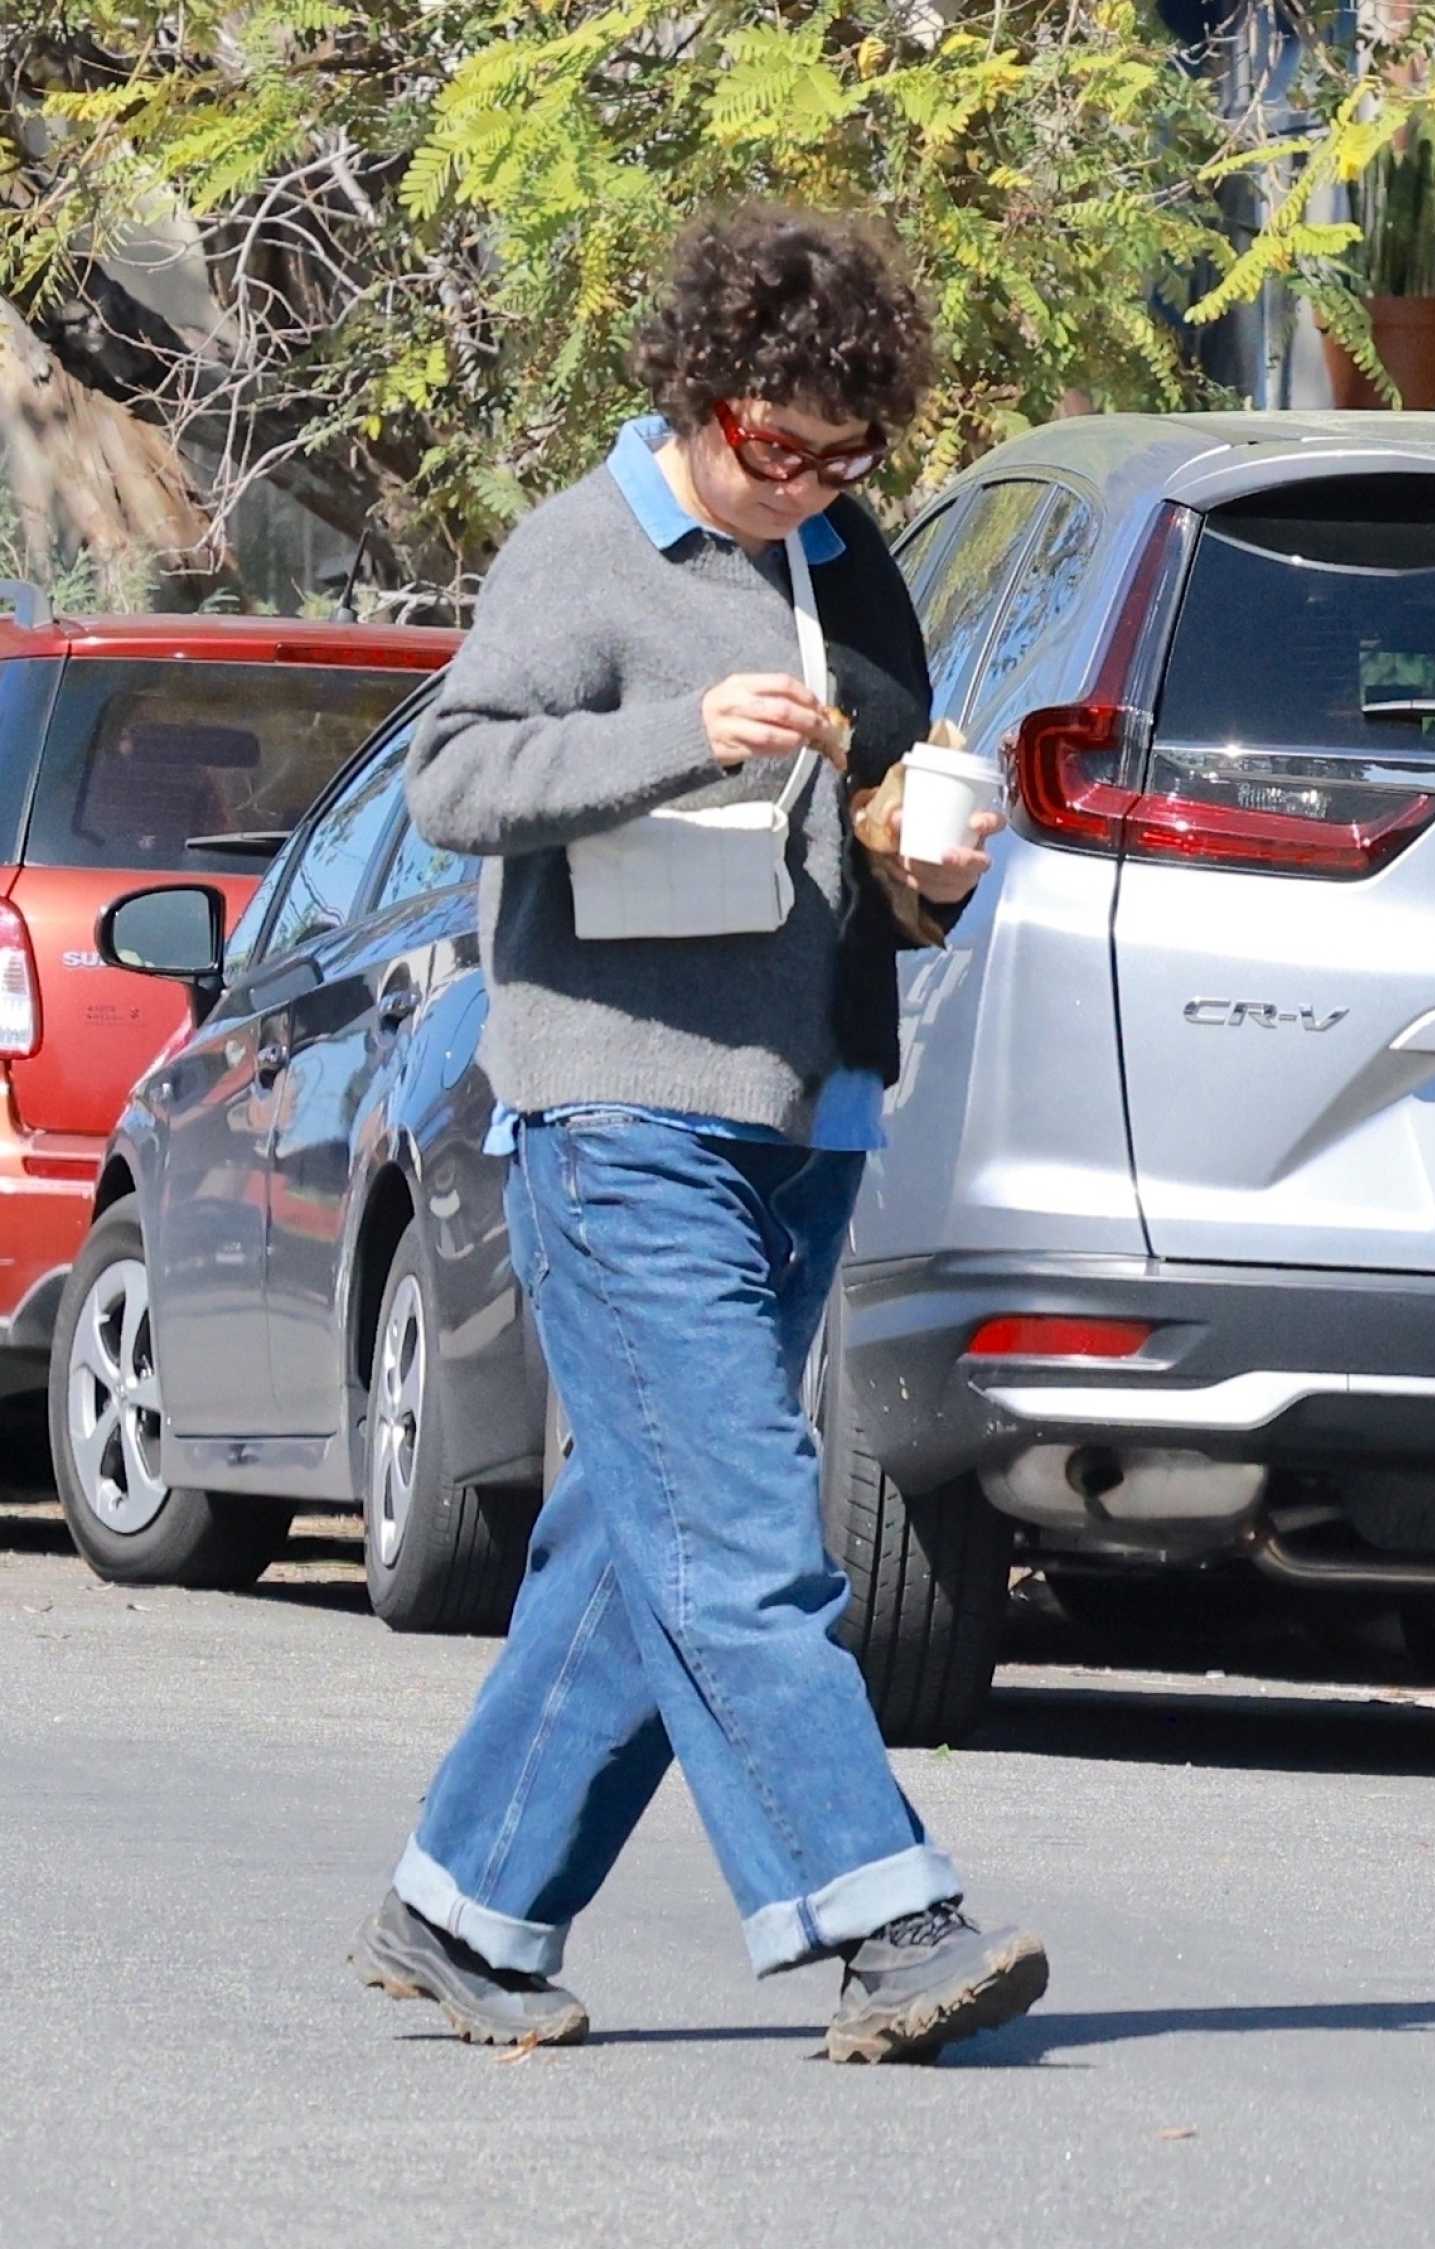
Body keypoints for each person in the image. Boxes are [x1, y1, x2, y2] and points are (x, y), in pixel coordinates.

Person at [352, 203, 1048, 2065]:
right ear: (699, 392)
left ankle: (464, 1906)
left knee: (630, 1538)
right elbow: (454, 782)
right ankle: (880, 1920)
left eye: (845, 454)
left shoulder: (849, 559)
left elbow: (880, 820)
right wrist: (678, 731)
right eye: (775, 446)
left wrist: (924, 867)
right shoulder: (581, 552)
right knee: (742, 1529)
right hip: (619, 1106)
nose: (808, 483)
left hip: (808, 1108)